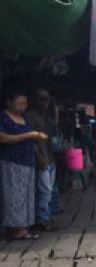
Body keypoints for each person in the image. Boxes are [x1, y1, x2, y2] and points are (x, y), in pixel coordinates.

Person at [0, 88, 48, 240]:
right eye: (19, 103)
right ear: (9, 102)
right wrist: (30, 135)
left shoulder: (24, 119)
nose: (23, 106)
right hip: (12, 162)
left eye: (25, 103)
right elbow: (4, 138)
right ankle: (14, 228)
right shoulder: (4, 118)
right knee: (14, 195)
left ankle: (23, 227)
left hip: (27, 162)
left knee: (27, 194)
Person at [25, 89, 60, 231]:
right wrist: (39, 158)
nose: (43, 103)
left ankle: (45, 216)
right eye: (40, 99)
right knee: (44, 190)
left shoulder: (47, 117)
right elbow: (30, 140)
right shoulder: (30, 117)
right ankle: (42, 219)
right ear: (34, 100)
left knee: (49, 190)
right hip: (41, 157)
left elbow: (53, 137)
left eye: (46, 100)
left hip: (50, 157)